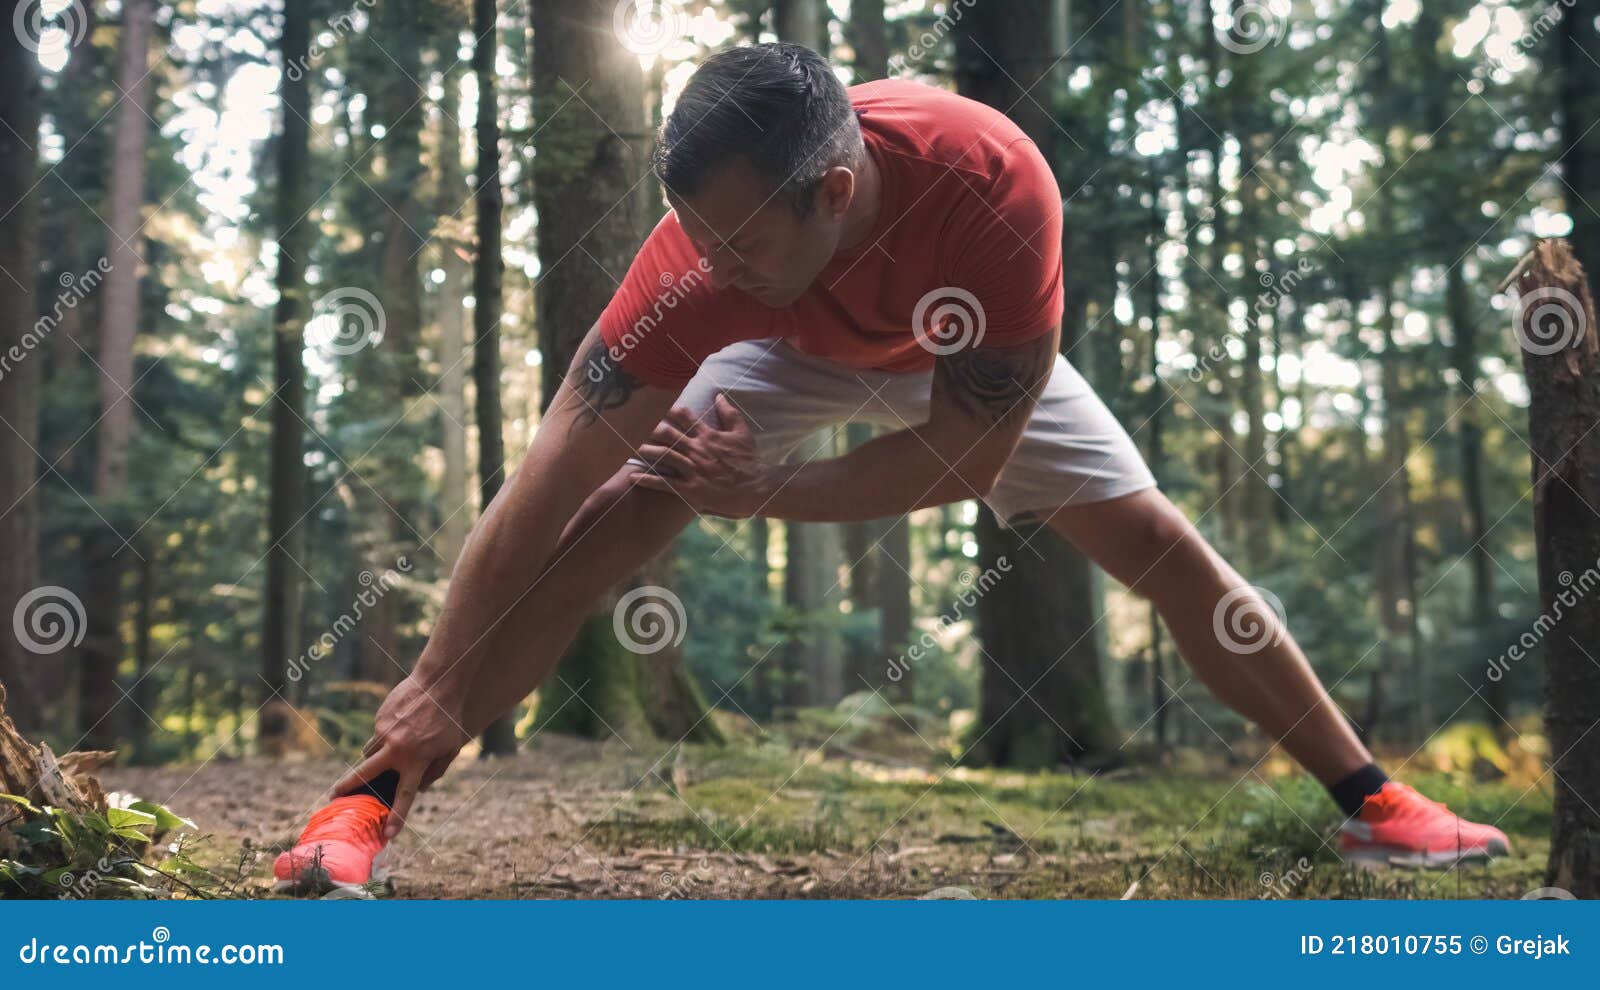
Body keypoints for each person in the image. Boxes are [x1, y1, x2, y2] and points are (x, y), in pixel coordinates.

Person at [274, 43, 1508, 895]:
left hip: (950, 356)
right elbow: (549, 465)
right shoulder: (702, 271)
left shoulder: (994, 194)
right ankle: (366, 803)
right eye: (693, 235)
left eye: (740, 236)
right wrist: (437, 679)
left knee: (1157, 544)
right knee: (618, 504)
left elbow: (969, 454)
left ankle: (1372, 800)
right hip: (787, 343)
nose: (709, 261)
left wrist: (766, 492)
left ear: (838, 188)